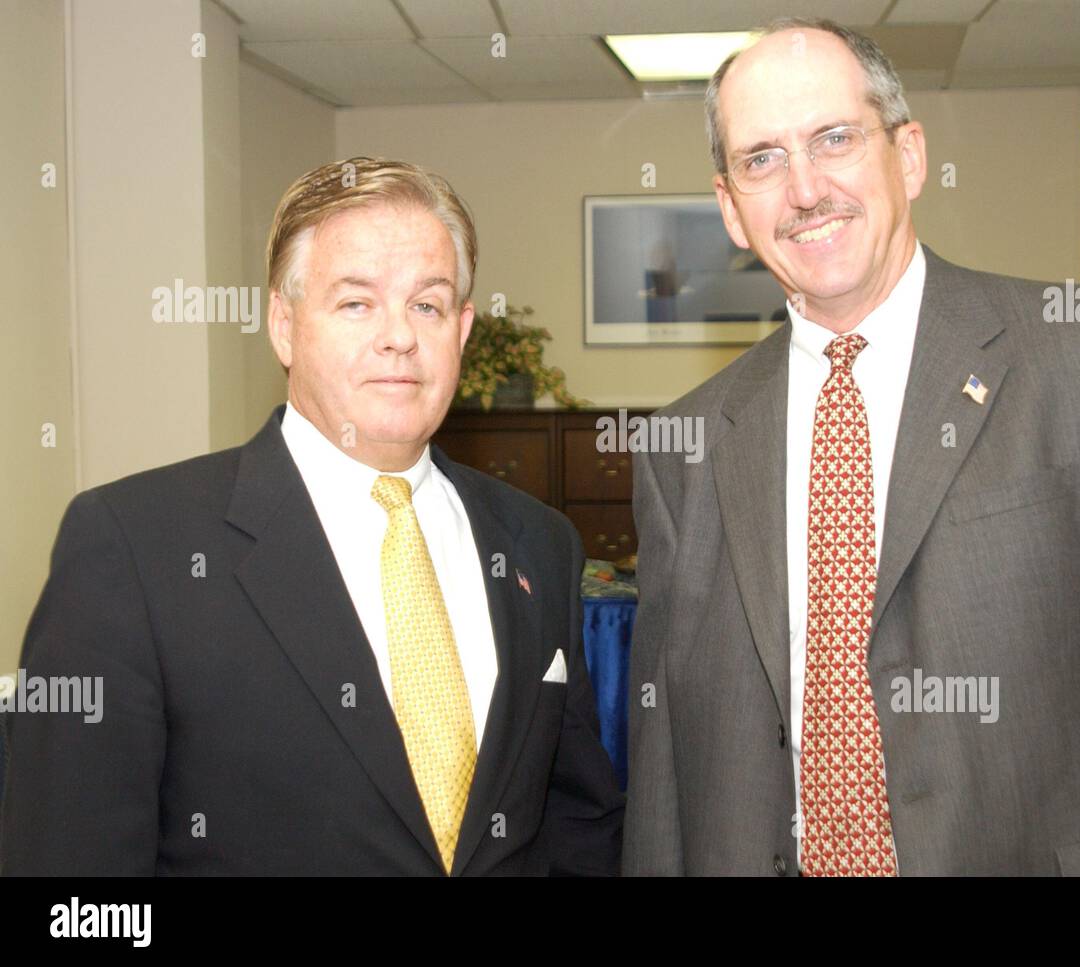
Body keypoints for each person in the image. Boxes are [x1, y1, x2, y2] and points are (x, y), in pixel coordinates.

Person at [623, 18, 1080, 876]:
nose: (804, 188)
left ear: (910, 156)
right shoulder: (683, 449)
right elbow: (666, 766)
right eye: (762, 159)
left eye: (835, 138)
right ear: (731, 208)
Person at [0, 158, 623, 876]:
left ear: (463, 328)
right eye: (356, 303)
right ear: (284, 325)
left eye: (428, 303)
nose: (399, 336)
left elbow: (578, 824)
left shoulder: (538, 543)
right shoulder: (133, 548)